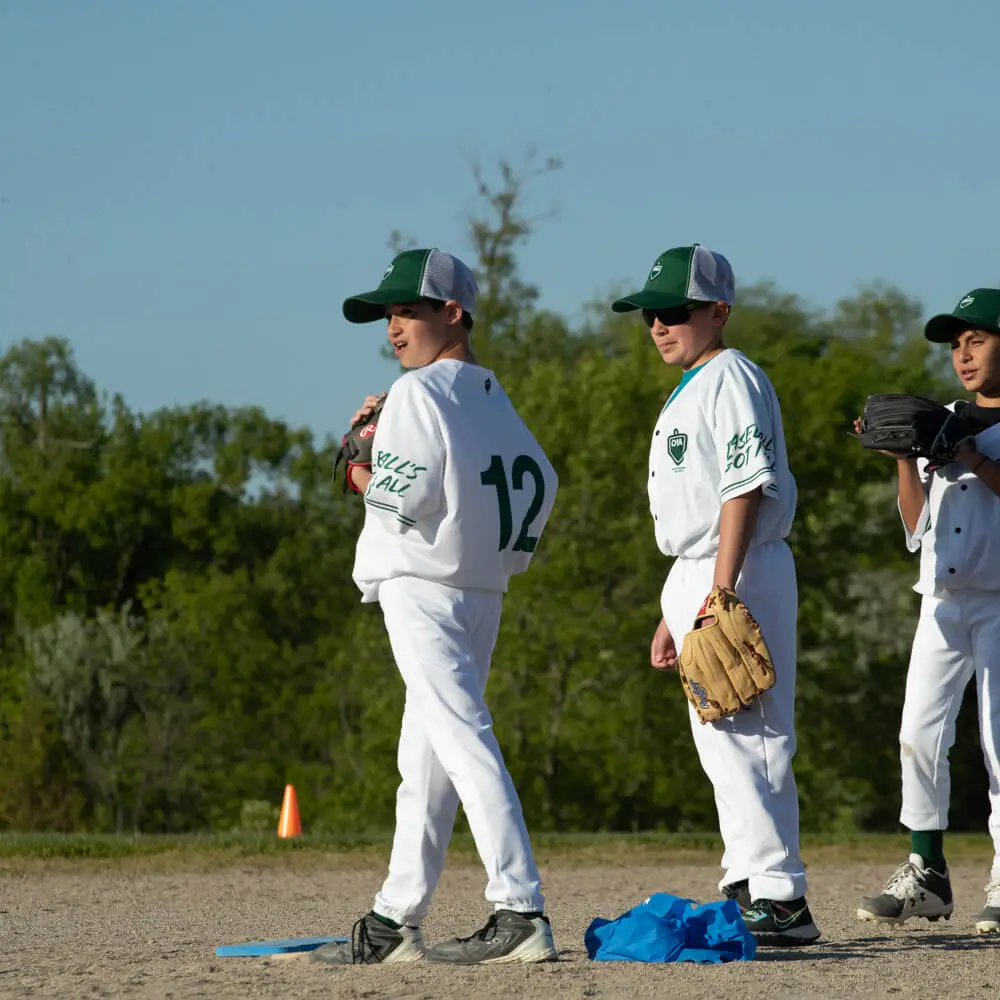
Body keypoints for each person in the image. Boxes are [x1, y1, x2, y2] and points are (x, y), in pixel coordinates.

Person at [312, 247, 560, 966]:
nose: (393, 327)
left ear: (453, 312)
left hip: (422, 587)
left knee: (459, 739)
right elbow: (540, 483)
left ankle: (519, 907)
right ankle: (395, 918)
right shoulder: (489, 394)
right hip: (479, 590)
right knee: (423, 758)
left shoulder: (417, 395)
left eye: (408, 310)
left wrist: (363, 471)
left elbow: (405, 497)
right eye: (388, 315)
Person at [610, 244, 821, 945]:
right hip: (701, 566)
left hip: (740, 560)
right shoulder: (696, 382)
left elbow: (743, 489)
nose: (659, 325)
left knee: (751, 733)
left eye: (675, 311)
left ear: (719, 310)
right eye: (650, 316)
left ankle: (781, 896)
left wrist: (718, 590)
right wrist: (675, 610)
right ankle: (746, 878)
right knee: (720, 733)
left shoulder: (732, 376)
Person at [855, 288, 1000, 935]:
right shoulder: (941, 417)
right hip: (940, 605)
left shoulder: (973, 433)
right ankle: (927, 872)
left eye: (977, 340)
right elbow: (917, 528)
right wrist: (903, 463)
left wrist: (969, 454)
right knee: (918, 734)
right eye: (955, 345)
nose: (962, 354)